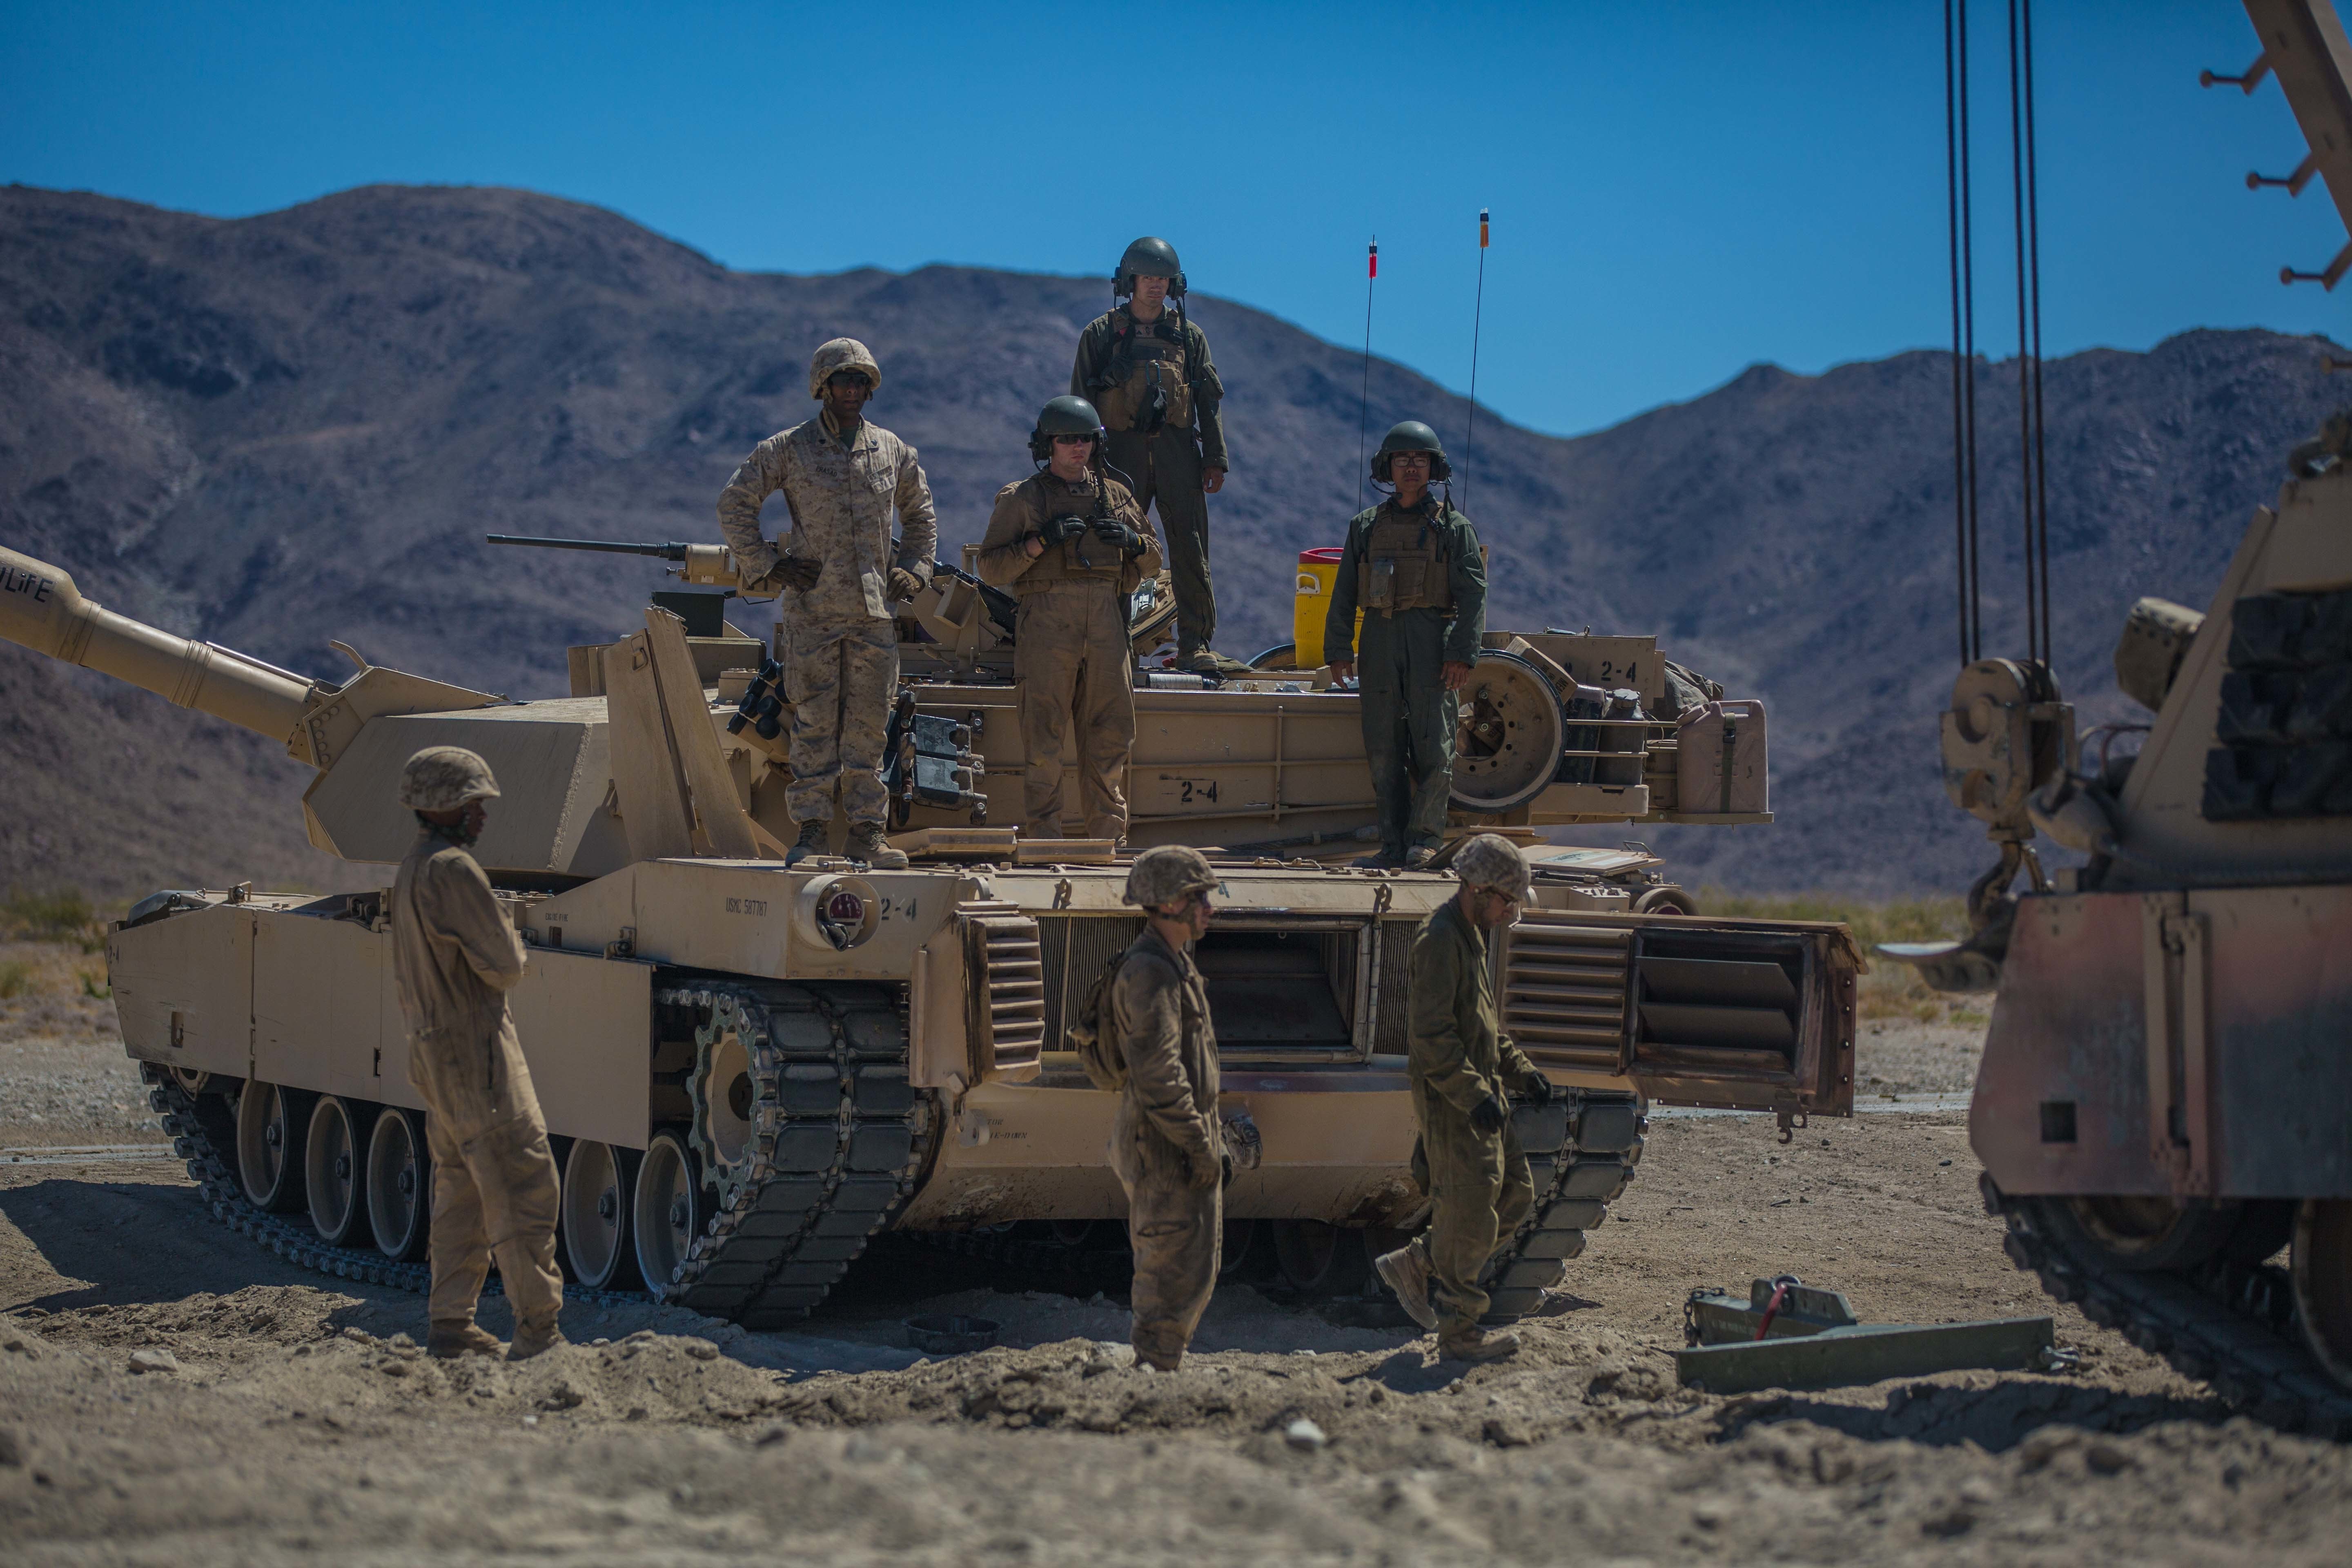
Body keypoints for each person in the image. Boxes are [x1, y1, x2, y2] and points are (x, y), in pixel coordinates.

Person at [715, 337, 938, 869]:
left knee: (869, 727)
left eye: (861, 381)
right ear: (823, 387)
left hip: (874, 614)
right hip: (814, 613)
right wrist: (767, 566)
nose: (853, 390)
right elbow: (736, 501)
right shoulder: (789, 449)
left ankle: (866, 834)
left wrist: (915, 569)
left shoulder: (892, 450)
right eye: (843, 381)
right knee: (814, 725)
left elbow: (921, 518)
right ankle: (812, 834)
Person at [390, 746, 566, 1361]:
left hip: (435, 1055)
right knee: (522, 1183)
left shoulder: (412, 868)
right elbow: (505, 965)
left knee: (461, 1191)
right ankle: (539, 1331)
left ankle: (451, 1323)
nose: (483, 816)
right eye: (474, 803)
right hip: (476, 1055)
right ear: (448, 807)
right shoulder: (454, 871)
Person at [1374, 833, 1555, 1363]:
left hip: (1481, 1094)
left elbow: (1481, 1026)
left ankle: (1420, 1260)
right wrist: (1474, 1094)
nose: (1509, 912)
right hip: (1453, 1101)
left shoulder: (1471, 936)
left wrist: (1521, 1073)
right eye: (1506, 900)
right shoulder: (1439, 940)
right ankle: (1459, 1333)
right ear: (1478, 889)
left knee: (1516, 1195)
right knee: (1472, 1212)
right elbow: (1431, 1038)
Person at [976, 395, 1161, 842]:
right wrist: (1040, 544)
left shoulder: (1116, 497)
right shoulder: (1024, 498)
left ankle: (1107, 839)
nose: (1078, 447)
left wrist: (1133, 541)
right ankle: (1045, 839)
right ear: (1048, 444)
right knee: (1044, 736)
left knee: (1111, 735)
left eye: (1086, 439)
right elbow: (991, 567)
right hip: (1047, 618)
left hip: (1104, 618)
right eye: (1067, 439)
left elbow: (1154, 560)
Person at [1069, 237, 1237, 675]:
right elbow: (1080, 403)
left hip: (1177, 452)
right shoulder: (1102, 334)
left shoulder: (1189, 336)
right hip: (1118, 457)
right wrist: (1081, 462)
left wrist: (1215, 458)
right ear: (1130, 281)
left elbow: (1208, 400)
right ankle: (1111, 643)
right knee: (1115, 548)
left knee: (1190, 548)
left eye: (1162, 279)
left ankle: (1195, 645)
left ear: (1174, 283)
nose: (1155, 287)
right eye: (1147, 278)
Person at [1324, 421, 1488, 869]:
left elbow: (1473, 595)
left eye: (1420, 460)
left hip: (1431, 639)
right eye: (1402, 459)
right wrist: (1339, 648)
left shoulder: (1454, 528)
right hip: (1379, 638)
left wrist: (1461, 654)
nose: (1411, 468)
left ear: (1433, 467)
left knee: (1435, 746)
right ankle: (1392, 844)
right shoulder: (1365, 526)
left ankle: (1425, 839)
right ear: (1388, 467)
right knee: (1383, 747)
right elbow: (1342, 593)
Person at [1110, 845, 1225, 1370]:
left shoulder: (1173, 963)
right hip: (1164, 1143)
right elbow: (1159, 1072)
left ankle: (1161, 1366)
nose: (1210, 908)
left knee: (1193, 1261)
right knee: (1170, 1263)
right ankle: (1153, 1372)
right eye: (1200, 897)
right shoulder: (1151, 972)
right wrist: (1200, 1142)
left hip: (1175, 1138)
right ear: (1171, 904)